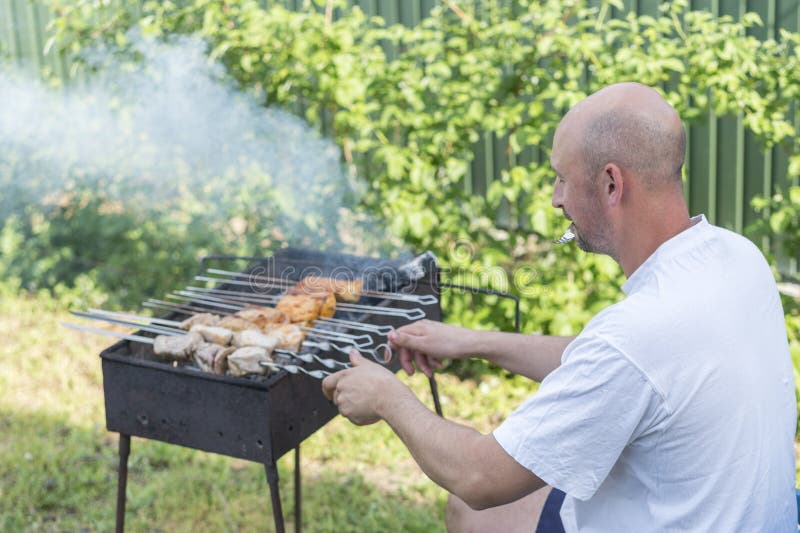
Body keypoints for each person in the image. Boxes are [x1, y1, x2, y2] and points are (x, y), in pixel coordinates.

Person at [321, 82, 797, 532]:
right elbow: (628, 365)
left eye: (562, 178)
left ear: (612, 184)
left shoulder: (635, 337)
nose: (556, 199)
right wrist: (476, 342)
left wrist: (388, 397)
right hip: (755, 517)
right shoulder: (736, 256)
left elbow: (479, 477)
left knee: (470, 508)